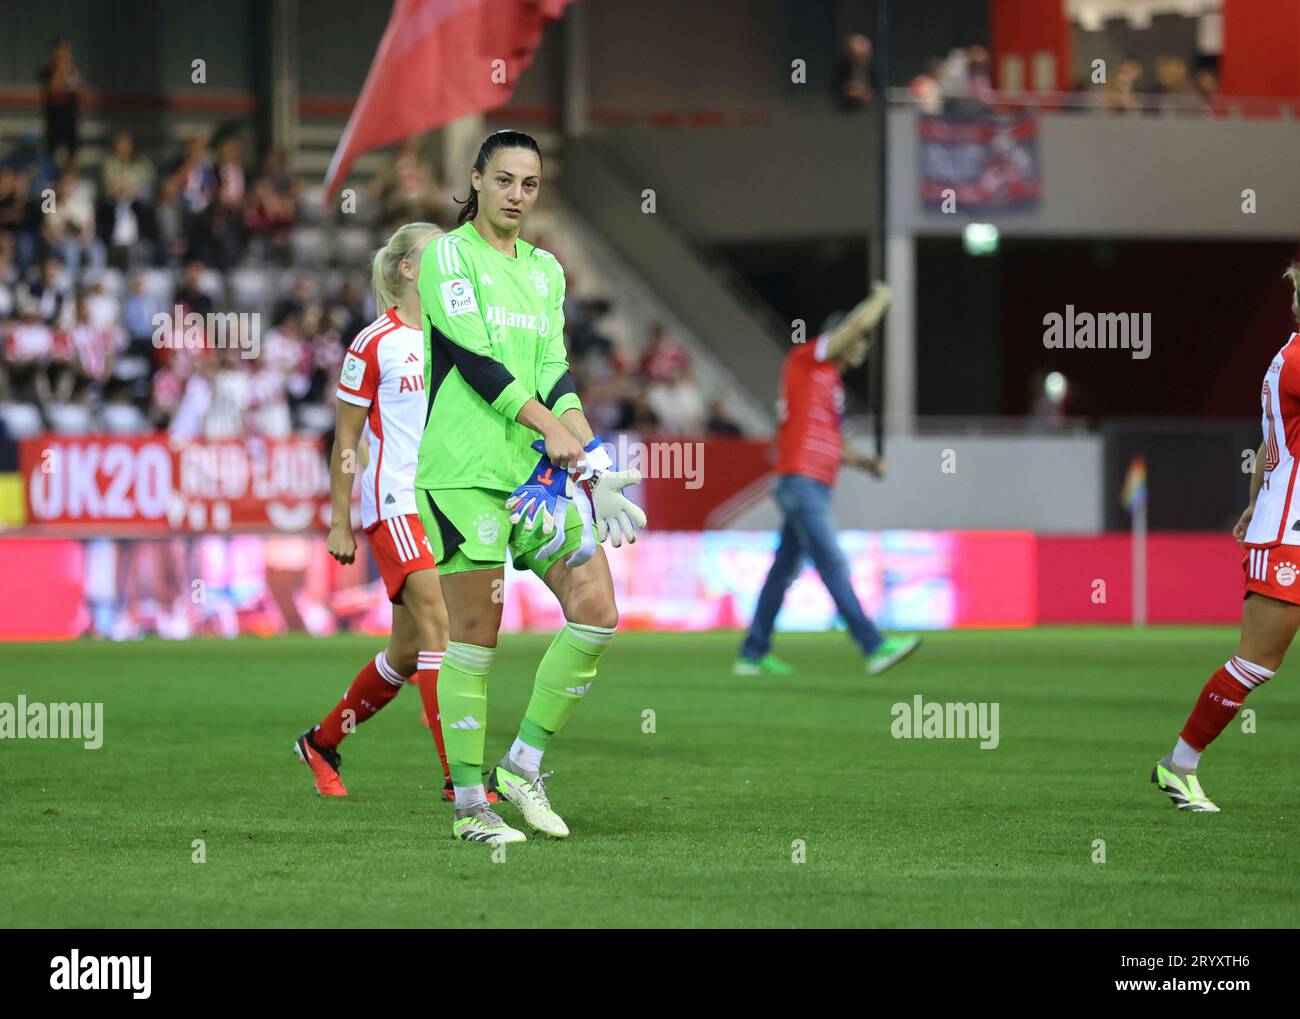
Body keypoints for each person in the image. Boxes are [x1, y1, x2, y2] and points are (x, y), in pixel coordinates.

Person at [416, 128, 645, 845]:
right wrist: (553, 428)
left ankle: (522, 764)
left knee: (597, 607)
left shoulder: (547, 270)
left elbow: (554, 370)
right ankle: (468, 806)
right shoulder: (447, 257)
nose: (518, 195)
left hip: (537, 478)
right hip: (464, 474)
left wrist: (590, 460)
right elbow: (477, 363)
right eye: (505, 180)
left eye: (530, 184)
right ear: (477, 179)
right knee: (478, 634)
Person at [295, 222, 459, 799]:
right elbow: (345, 443)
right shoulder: (372, 343)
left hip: (446, 505)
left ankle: (319, 742)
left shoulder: (453, 335)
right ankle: (458, 779)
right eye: (440, 253)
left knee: (407, 653)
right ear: (409, 269)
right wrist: (341, 521)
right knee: (443, 626)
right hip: (394, 502)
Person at [1153, 265, 1300, 812]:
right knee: (1256, 664)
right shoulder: (1297, 361)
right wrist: (1259, 508)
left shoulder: (1284, 358)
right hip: (1289, 536)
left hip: (1283, 523)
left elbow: (1268, 446)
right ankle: (1179, 765)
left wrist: (1249, 500)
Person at [735, 284, 920, 677]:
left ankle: (752, 653)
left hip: (810, 481)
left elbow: (831, 442)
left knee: (782, 570)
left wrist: (867, 464)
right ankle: (873, 646)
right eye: (859, 342)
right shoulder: (807, 359)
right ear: (839, 338)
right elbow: (855, 326)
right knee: (832, 562)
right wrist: (881, 302)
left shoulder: (827, 383)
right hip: (801, 482)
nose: (862, 350)